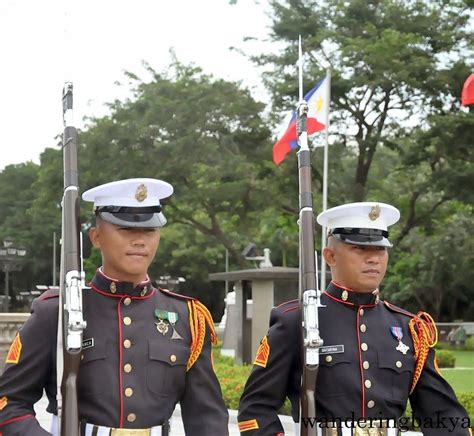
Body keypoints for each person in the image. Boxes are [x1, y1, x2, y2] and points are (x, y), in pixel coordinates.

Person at [0, 178, 229, 436]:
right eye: (126, 229)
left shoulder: (187, 317)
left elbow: (207, 417)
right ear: (96, 237)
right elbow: (9, 404)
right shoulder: (58, 312)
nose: (140, 240)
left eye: (149, 230)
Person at [238, 202, 471, 435]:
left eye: (380, 250)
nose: (373, 259)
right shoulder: (297, 321)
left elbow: (442, 413)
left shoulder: (408, 328)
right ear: (330, 256)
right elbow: (256, 408)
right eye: (360, 249)